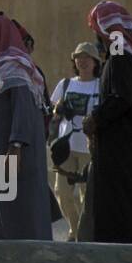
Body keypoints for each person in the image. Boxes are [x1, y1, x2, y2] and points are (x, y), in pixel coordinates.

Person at [80, 1, 132, 243]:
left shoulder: (120, 59)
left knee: (121, 209)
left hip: (123, 152)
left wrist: (94, 118)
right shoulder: (119, 59)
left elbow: (120, 98)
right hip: (122, 152)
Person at [0, 15, 53, 241]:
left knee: (21, 214)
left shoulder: (14, 69)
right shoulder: (0, 69)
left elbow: (22, 109)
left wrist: (15, 146)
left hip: (14, 154)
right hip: (7, 152)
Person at [48, 42, 101, 241]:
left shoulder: (101, 85)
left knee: (87, 195)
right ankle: (75, 228)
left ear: (95, 61)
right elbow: (53, 111)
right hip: (66, 147)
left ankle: (84, 234)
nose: (82, 61)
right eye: (79, 57)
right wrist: (59, 110)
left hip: (90, 148)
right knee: (62, 192)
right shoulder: (66, 84)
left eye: (87, 57)